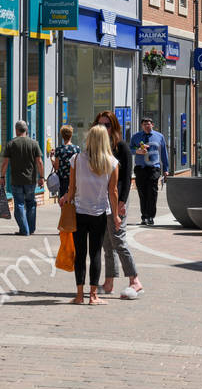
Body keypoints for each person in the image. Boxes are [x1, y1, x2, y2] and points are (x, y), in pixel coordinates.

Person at [59, 124, 119, 306]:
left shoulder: (76, 160)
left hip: (79, 212)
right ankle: (93, 296)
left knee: (80, 254)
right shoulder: (112, 162)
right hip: (99, 213)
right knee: (95, 253)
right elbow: (113, 191)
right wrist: (116, 216)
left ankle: (79, 295)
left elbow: (72, 188)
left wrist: (65, 199)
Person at [95, 111, 141, 296]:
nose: (103, 128)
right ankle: (108, 283)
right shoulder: (97, 147)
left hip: (118, 199)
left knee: (118, 239)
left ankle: (135, 280)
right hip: (103, 199)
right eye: (99, 124)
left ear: (114, 127)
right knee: (106, 242)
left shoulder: (121, 147)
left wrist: (121, 202)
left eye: (107, 125)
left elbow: (127, 177)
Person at [1, 120, 45, 237]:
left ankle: (24, 229)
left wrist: (2, 176)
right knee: (31, 203)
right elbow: (39, 162)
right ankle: (30, 229)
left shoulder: (11, 144)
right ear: (26, 130)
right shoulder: (34, 143)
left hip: (16, 180)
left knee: (19, 204)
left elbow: (5, 163)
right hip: (30, 181)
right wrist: (41, 177)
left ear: (16, 130)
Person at [128, 117, 168, 225]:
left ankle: (150, 216)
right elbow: (129, 149)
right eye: (145, 124)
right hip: (140, 168)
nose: (147, 126)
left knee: (152, 192)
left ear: (152, 125)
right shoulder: (136, 137)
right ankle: (144, 216)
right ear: (142, 126)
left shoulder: (159, 136)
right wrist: (138, 151)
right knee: (142, 193)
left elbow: (164, 153)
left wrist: (166, 169)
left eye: (149, 124)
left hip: (154, 168)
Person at [49, 125, 79, 201]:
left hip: (63, 180)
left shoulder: (59, 149)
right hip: (75, 180)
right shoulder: (76, 149)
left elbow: (56, 167)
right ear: (71, 135)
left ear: (62, 136)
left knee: (63, 203)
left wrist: (51, 158)